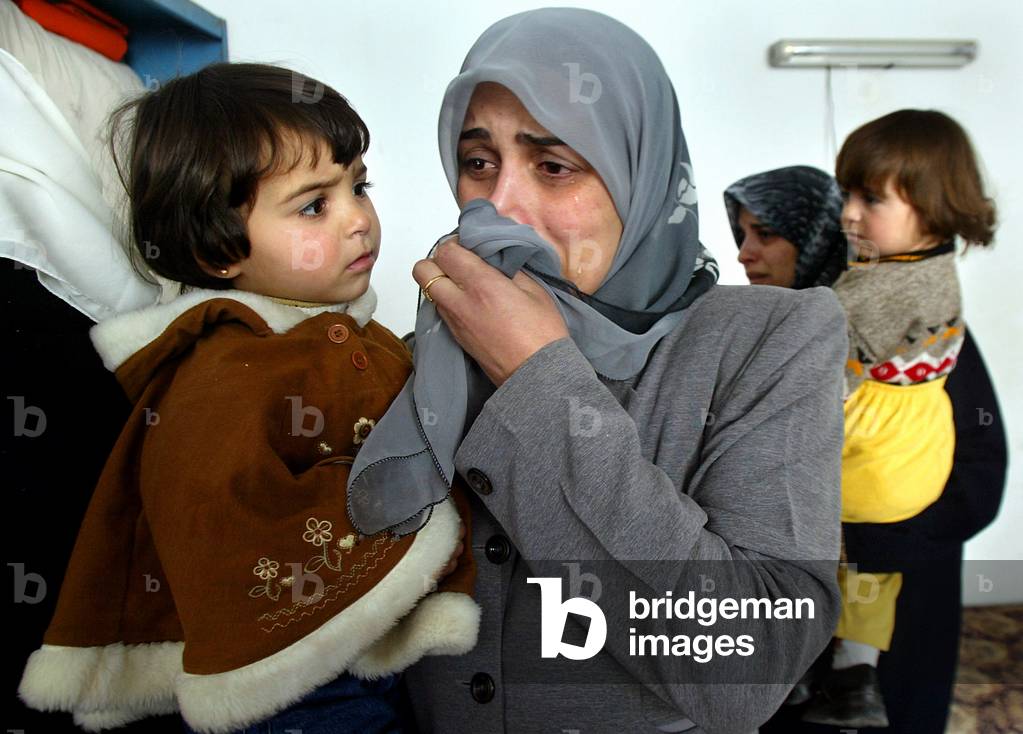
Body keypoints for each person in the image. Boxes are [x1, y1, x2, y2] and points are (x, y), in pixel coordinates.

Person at [364, 9, 849, 733]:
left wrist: (536, 378)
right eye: (477, 162)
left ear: (640, 174)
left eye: (553, 165)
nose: (499, 207)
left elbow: (748, 660)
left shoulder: (766, 341)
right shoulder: (421, 354)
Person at [17, 63, 479, 734]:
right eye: (314, 205)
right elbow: (223, 521)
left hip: (357, 654)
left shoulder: (347, 337)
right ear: (217, 247)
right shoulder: (224, 371)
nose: (358, 220)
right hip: (291, 683)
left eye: (358, 185)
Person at [798, 109, 999, 729]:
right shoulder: (932, 276)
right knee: (862, 591)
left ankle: (846, 680)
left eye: (870, 198)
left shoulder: (872, 293)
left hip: (885, 487)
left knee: (857, 578)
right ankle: (850, 675)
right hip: (905, 480)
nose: (849, 214)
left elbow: (817, 374)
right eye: (845, 196)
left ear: (932, 211)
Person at [724, 165, 847, 289]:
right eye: (741, 235)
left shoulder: (856, 305)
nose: (743, 256)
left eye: (765, 234)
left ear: (818, 240)